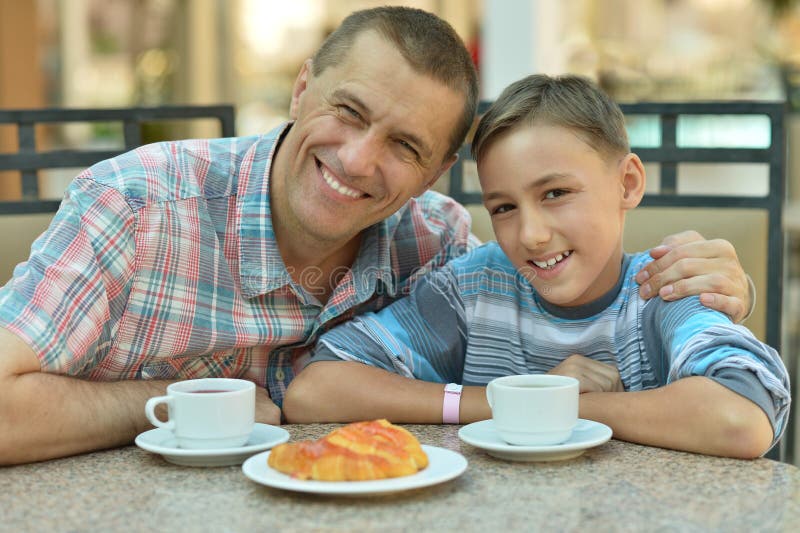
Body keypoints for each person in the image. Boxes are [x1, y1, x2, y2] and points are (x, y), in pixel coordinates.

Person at [0, 8, 752, 465]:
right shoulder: (137, 203)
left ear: (435, 173)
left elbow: (541, 317)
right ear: (302, 88)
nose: (359, 161)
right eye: (349, 112)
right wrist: (183, 401)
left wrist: (722, 285)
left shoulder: (437, 240)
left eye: (405, 145)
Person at [285, 74, 790, 459]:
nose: (530, 234)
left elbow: (740, 417)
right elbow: (315, 390)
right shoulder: (477, 288)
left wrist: (556, 404)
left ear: (628, 184)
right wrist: (514, 399)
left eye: (555, 193)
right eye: (504, 207)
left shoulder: (664, 287)